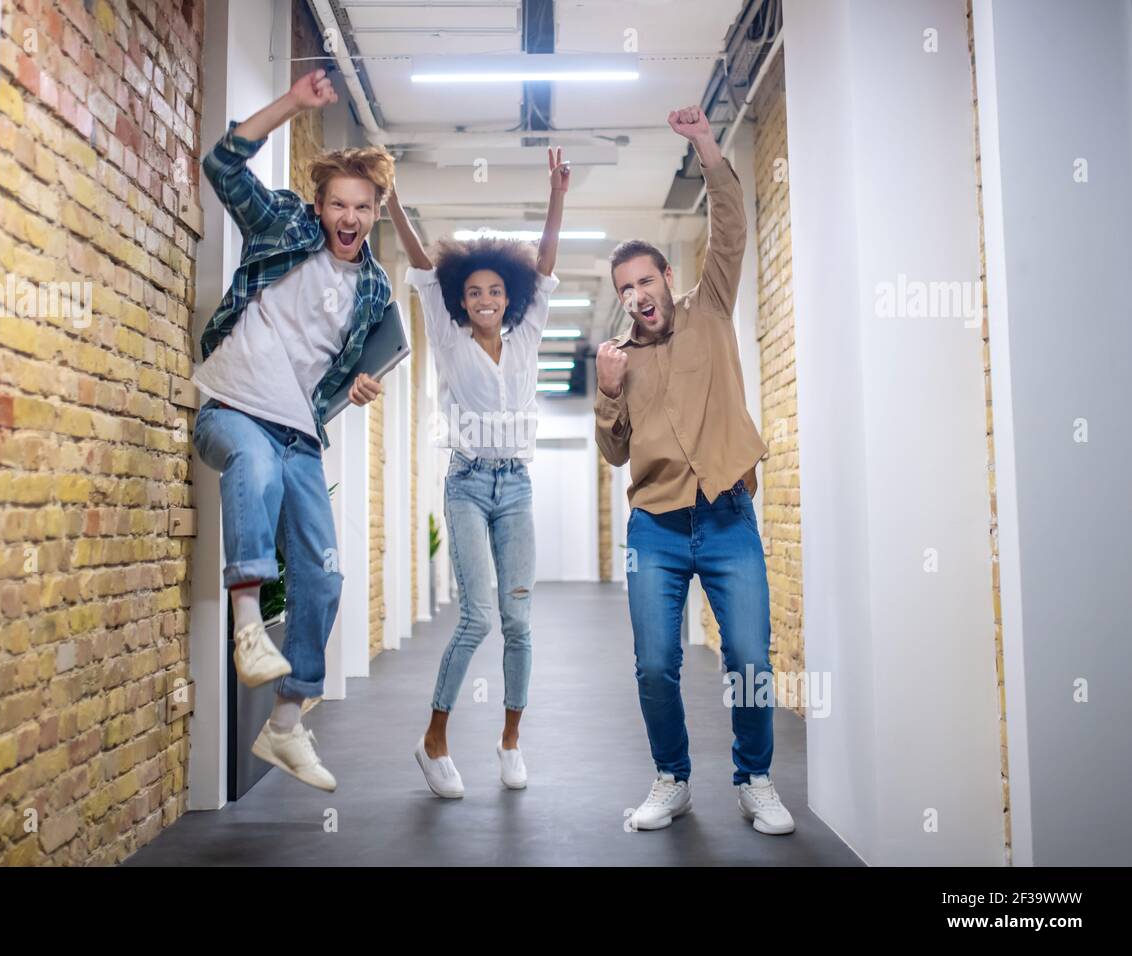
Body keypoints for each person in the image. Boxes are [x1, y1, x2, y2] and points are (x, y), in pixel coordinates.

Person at [191, 68, 395, 792]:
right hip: (232, 409)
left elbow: (331, 377)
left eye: (361, 207)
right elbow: (222, 163)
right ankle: (248, 624)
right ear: (320, 204)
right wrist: (291, 105)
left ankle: (283, 727)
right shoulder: (282, 224)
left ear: (375, 210)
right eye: (338, 203)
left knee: (327, 576)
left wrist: (358, 388)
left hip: (299, 433)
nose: (348, 216)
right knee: (255, 466)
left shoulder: (374, 289)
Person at [594, 104, 794, 835]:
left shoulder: (709, 306)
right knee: (654, 663)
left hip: (726, 517)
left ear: (665, 277)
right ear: (620, 297)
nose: (638, 296)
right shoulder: (617, 361)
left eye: (645, 281)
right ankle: (672, 778)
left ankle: (755, 778)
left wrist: (707, 146)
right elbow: (615, 454)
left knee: (747, 655)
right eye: (625, 289)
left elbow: (732, 227)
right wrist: (609, 396)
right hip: (656, 529)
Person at [386, 149, 570, 797]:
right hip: (466, 483)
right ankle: (434, 740)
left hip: (515, 486)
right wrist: (390, 203)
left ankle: (511, 741)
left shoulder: (526, 335)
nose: (485, 298)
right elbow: (418, 265)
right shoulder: (446, 331)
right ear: (461, 299)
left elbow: (545, 268)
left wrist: (556, 197)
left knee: (519, 621)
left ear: (507, 297)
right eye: (474, 291)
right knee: (477, 618)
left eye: (495, 290)